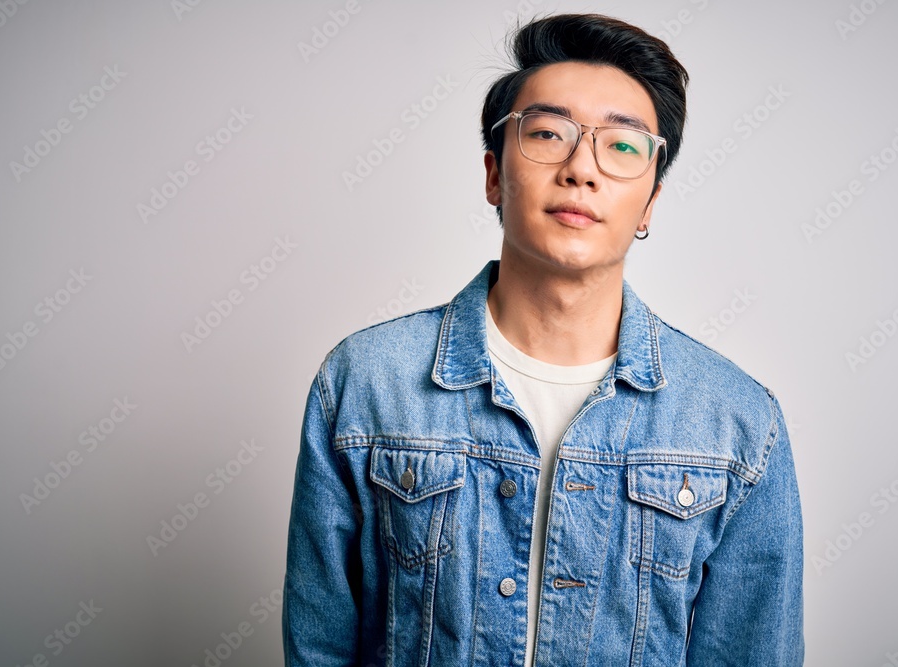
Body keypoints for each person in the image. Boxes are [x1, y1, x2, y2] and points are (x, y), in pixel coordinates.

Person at [283, 12, 804, 666]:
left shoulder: (737, 423)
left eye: (620, 146)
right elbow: (319, 644)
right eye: (550, 134)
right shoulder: (364, 383)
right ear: (494, 174)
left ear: (649, 204)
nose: (581, 168)